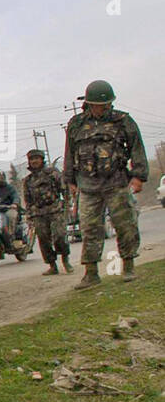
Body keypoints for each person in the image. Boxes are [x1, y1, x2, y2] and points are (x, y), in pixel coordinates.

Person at [63, 79, 148, 289]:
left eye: (107, 104)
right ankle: (91, 273)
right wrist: (70, 180)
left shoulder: (123, 121)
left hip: (117, 183)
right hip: (88, 186)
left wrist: (138, 176)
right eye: (100, 104)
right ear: (90, 103)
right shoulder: (76, 124)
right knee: (90, 229)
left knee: (125, 224)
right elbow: (69, 153)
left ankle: (128, 266)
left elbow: (137, 148)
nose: (104, 108)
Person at [22, 148, 72, 275]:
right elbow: (27, 199)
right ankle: (52, 265)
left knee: (59, 236)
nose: (34, 161)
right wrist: (30, 215)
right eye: (31, 159)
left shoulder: (52, 173)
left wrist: (66, 206)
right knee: (44, 240)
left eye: (36, 158)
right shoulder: (28, 180)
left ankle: (65, 260)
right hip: (38, 213)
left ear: (42, 159)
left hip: (55, 210)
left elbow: (64, 189)